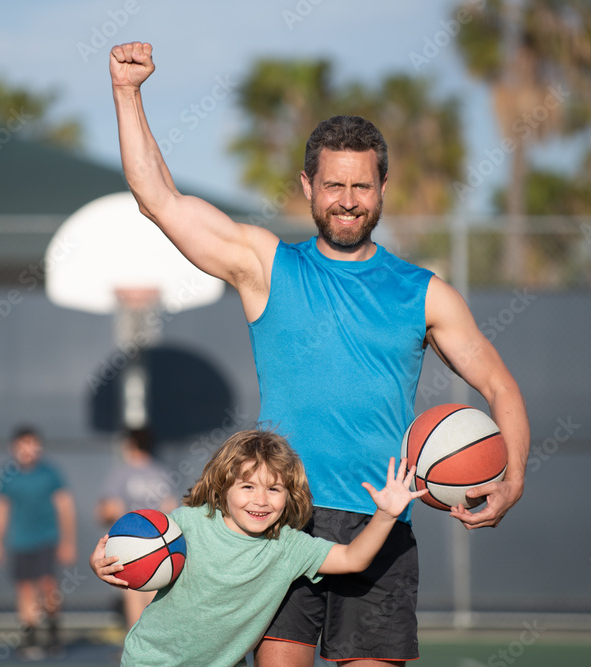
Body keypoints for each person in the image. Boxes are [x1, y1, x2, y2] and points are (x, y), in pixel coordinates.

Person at [108, 42, 531, 665]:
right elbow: (159, 201)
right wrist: (128, 92)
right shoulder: (267, 266)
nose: (348, 199)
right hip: (280, 522)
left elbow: (499, 386)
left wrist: (513, 475)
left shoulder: (425, 293)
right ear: (309, 185)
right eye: (334, 184)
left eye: (362, 185)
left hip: (381, 523)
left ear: (383, 186)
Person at [90, 430, 428, 667]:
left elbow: (353, 558)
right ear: (223, 488)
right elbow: (133, 550)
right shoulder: (187, 524)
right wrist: (102, 564)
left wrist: (385, 514)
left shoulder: (288, 548)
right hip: (151, 661)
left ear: (290, 494)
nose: (261, 500)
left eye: (274, 489)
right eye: (248, 486)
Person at [0, 426, 77, 659]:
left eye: (32, 444)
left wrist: (68, 541)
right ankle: (30, 637)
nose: (28, 450)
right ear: (13, 448)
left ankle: (54, 633)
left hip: (47, 539)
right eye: (22, 444)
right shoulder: (8, 475)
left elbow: (65, 506)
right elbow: (0, 509)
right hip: (20, 541)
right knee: (25, 589)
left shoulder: (50, 473)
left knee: (48, 586)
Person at [95, 427, 179, 628]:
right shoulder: (161, 472)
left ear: (129, 444)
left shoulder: (121, 473)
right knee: (155, 594)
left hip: (130, 544)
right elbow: (172, 509)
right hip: (158, 544)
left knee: (133, 594)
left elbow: (108, 511)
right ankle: (154, 647)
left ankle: (135, 648)